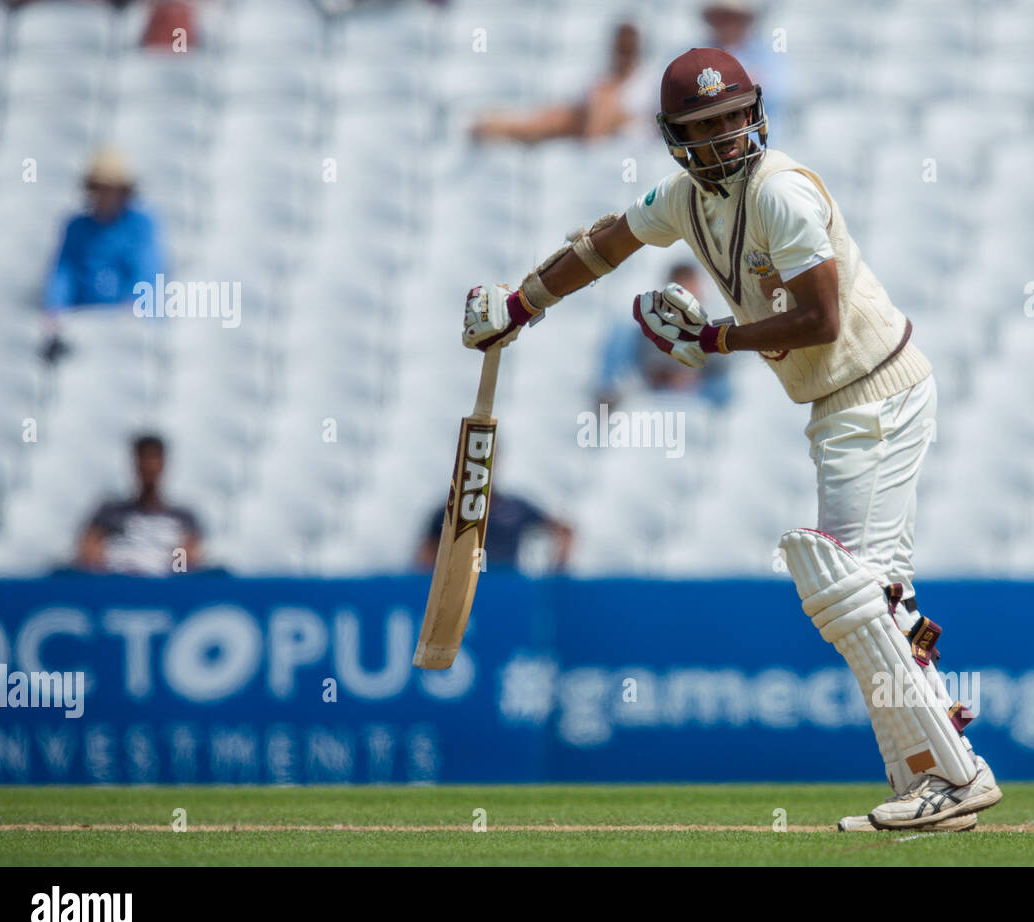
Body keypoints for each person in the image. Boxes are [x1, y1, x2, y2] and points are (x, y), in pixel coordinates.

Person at [460, 48, 1001, 831]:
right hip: (841, 403)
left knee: (843, 587)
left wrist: (716, 340)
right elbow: (605, 243)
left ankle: (956, 777)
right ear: (674, 137)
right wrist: (520, 301)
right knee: (879, 601)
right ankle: (927, 778)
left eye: (733, 117)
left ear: (754, 111)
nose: (726, 136)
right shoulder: (685, 198)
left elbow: (823, 320)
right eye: (704, 126)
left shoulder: (779, 191)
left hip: (875, 393)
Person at [41, 148, 165, 362]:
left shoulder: (141, 225)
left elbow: (147, 271)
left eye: (111, 189)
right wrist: (55, 309)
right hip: (81, 320)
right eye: (99, 188)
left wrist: (134, 307)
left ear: (124, 191)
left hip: (126, 321)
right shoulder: (76, 226)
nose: (104, 196)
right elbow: (63, 272)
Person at [471, 22, 657, 144]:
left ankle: (506, 125)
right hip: (588, 128)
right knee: (558, 115)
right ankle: (506, 125)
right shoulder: (602, 79)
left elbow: (647, 121)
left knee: (592, 104)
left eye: (627, 49)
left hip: (622, 137)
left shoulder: (646, 82)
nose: (623, 54)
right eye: (620, 48)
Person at [595, 262, 732, 409]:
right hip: (654, 385)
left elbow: (720, 364)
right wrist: (667, 375)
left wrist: (692, 376)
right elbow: (646, 357)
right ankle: (609, 393)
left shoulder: (710, 325)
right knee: (620, 330)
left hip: (699, 390)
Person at [75, 434, 204, 576]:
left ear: (163, 464)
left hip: (164, 589)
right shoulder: (109, 513)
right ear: (135, 463)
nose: (149, 466)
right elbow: (89, 555)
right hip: (117, 586)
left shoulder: (183, 518)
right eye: (144, 459)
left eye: (154, 459)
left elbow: (187, 563)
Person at [415, 489, 573, 574]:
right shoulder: (448, 510)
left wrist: (555, 573)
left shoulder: (515, 506)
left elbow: (565, 531)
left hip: (507, 588)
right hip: (465, 589)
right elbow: (425, 555)